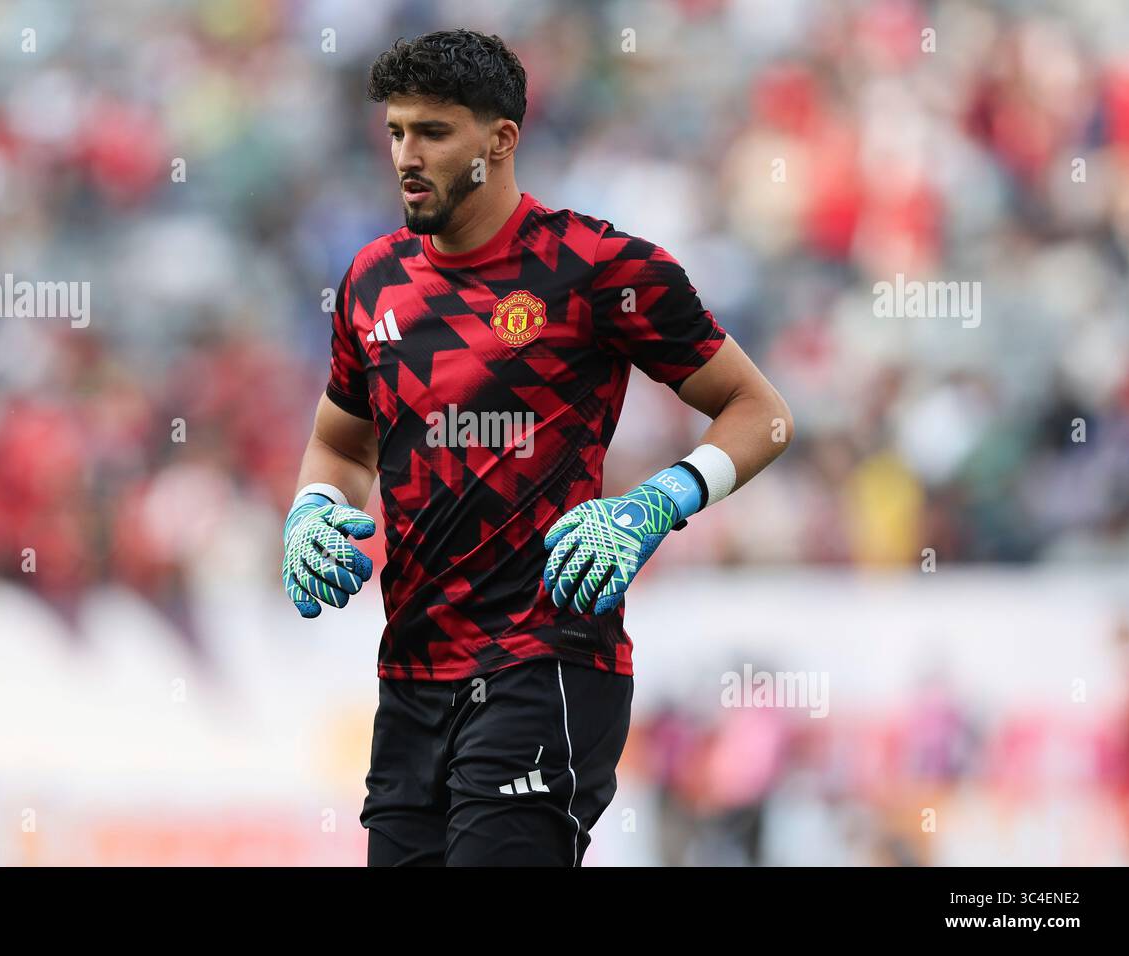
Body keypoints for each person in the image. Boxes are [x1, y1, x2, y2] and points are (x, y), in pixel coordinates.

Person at [281, 29, 793, 866]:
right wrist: (312, 507)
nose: (407, 155)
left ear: (501, 140)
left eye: (434, 133)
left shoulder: (596, 267)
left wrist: (657, 504)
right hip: (410, 680)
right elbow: (341, 445)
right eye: (396, 132)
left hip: (545, 663)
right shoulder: (372, 278)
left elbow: (761, 412)